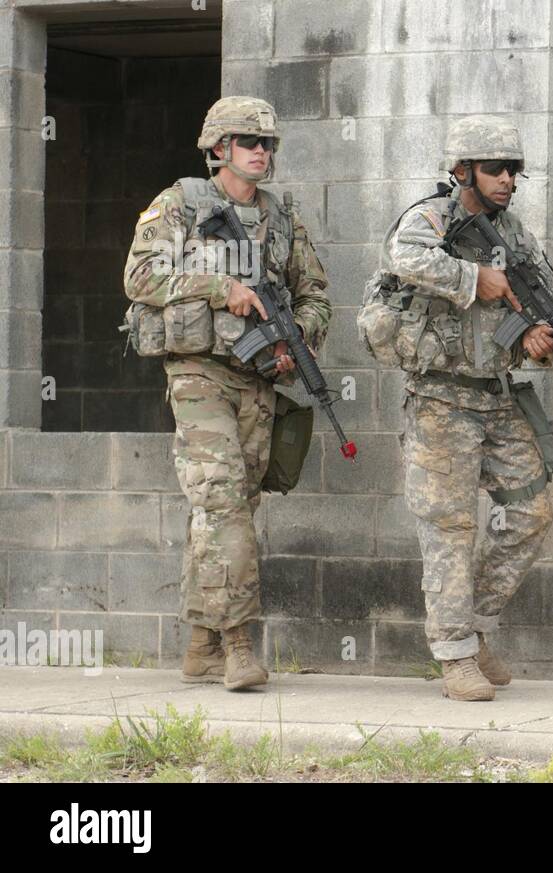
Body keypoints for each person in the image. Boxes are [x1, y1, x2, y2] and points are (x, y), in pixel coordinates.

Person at [122, 96, 332, 690]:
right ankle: (239, 643)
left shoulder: (282, 219)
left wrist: (300, 339)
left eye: (268, 144)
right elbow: (140, 277)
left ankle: (199, 644)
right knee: (222, 502)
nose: (261, 152)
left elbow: (315, 295)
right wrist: (221, 286)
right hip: (198, 374)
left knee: (226, 511)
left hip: (259, 379)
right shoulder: (181, 204)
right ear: (218, 150)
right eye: (249, 142)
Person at [381, 115, 553, 701]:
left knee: (532, 512)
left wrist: (534, 332)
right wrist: (470, 276)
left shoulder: (514, 231)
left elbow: (527, 296)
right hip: (440, 398)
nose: (508, 179)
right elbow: (403, 257)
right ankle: (455, 656)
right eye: (495, 169)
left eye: (514, 170)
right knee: (451, 529)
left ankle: (476, 628)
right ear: (463, 172)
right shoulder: (431, 218)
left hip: (498, 395)